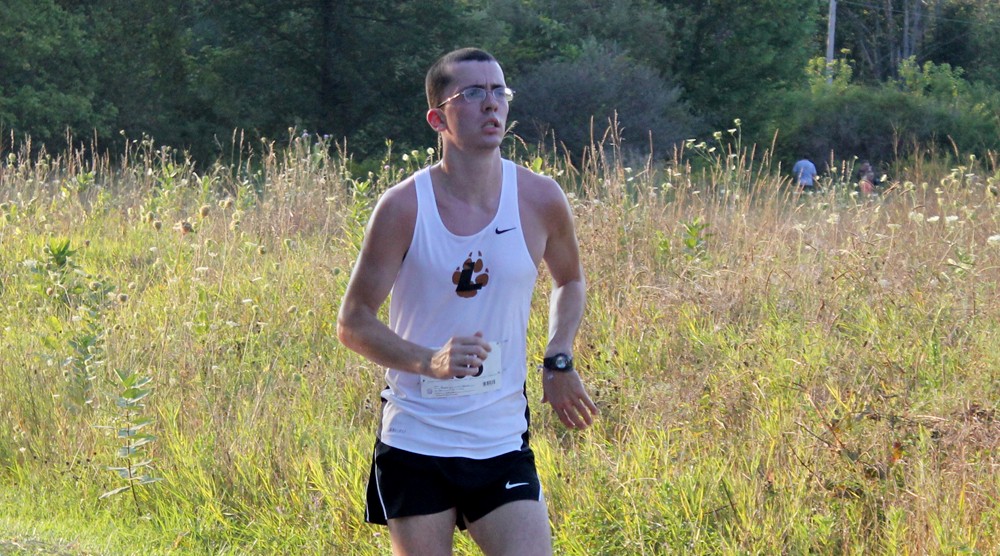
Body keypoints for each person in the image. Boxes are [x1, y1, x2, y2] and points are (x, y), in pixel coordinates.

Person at [336, 47, 599, 556]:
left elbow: (570, 281)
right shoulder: (403, 206)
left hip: (499, 439)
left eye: (499, 91)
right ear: (438, 117)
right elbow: (352, 321)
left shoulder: (540, 198)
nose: (491, 104)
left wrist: (559, 355)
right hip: (418, 439)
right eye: (473, 93)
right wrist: (426, 361)